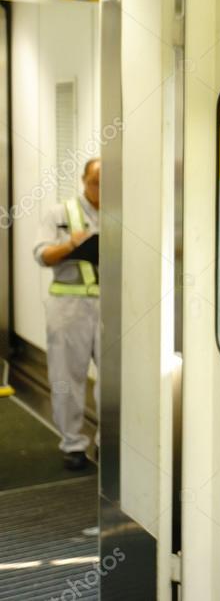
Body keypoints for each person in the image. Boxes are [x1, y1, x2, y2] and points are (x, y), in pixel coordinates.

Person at [34, 157, 100, 471]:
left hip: (112, 306)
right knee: (67, 377)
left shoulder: (121, 212)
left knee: (115, 379)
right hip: (69, 306)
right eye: (95, 182)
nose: (101, 189)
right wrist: (71, 245)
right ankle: (73, 444)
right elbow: (42, 255)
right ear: (84, 180)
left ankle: (109, 440)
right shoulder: (58, 213)